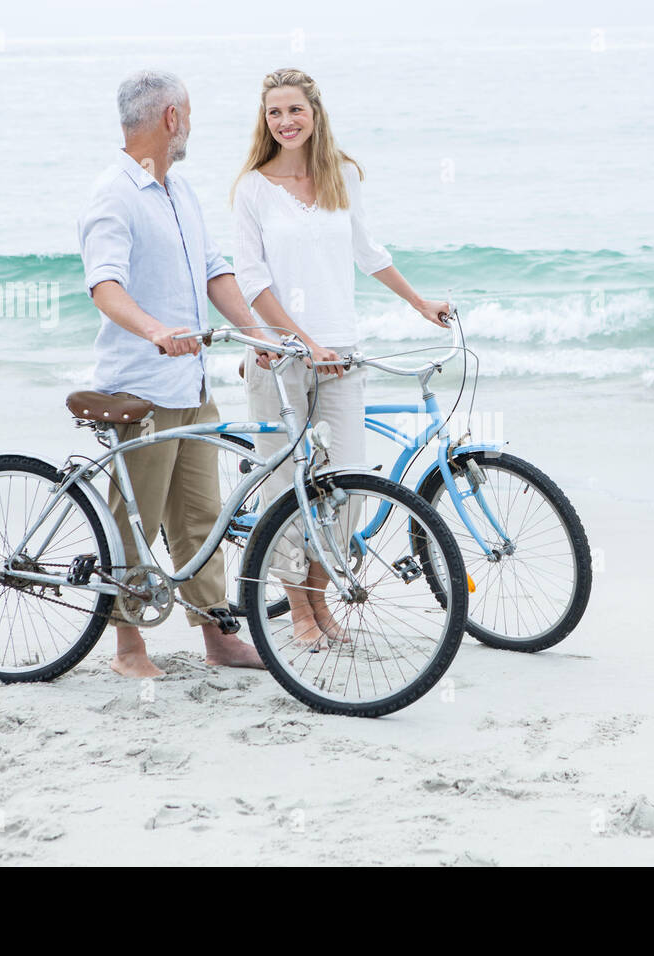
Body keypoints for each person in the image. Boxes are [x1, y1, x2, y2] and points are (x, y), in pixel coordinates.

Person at [230, 67, 450, 649]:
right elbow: (251, 282)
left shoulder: (342, 176)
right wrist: (303, 342)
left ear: (315, 112)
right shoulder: (252, 187)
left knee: (344, 484)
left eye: (294, 110)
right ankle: (300, 611)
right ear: (265, 119)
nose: (285, 121)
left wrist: (418, 301)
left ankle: (322, 599)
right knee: (285, 486)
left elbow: (368, 251)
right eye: (275, 112)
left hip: (341, 353)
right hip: (279, 356)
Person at [79, 69, 275, 677]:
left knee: (200, 515)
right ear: (170, 119)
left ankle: (217, 635)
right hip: (141, 386)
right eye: (188, 114)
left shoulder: (178, 189)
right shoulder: (113, 193)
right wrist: (155, 330)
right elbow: (104, 285)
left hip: (192, 385)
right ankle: (128, 649)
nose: (191, 124)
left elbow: (216, 271)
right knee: (132, 517)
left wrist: (256, 331)